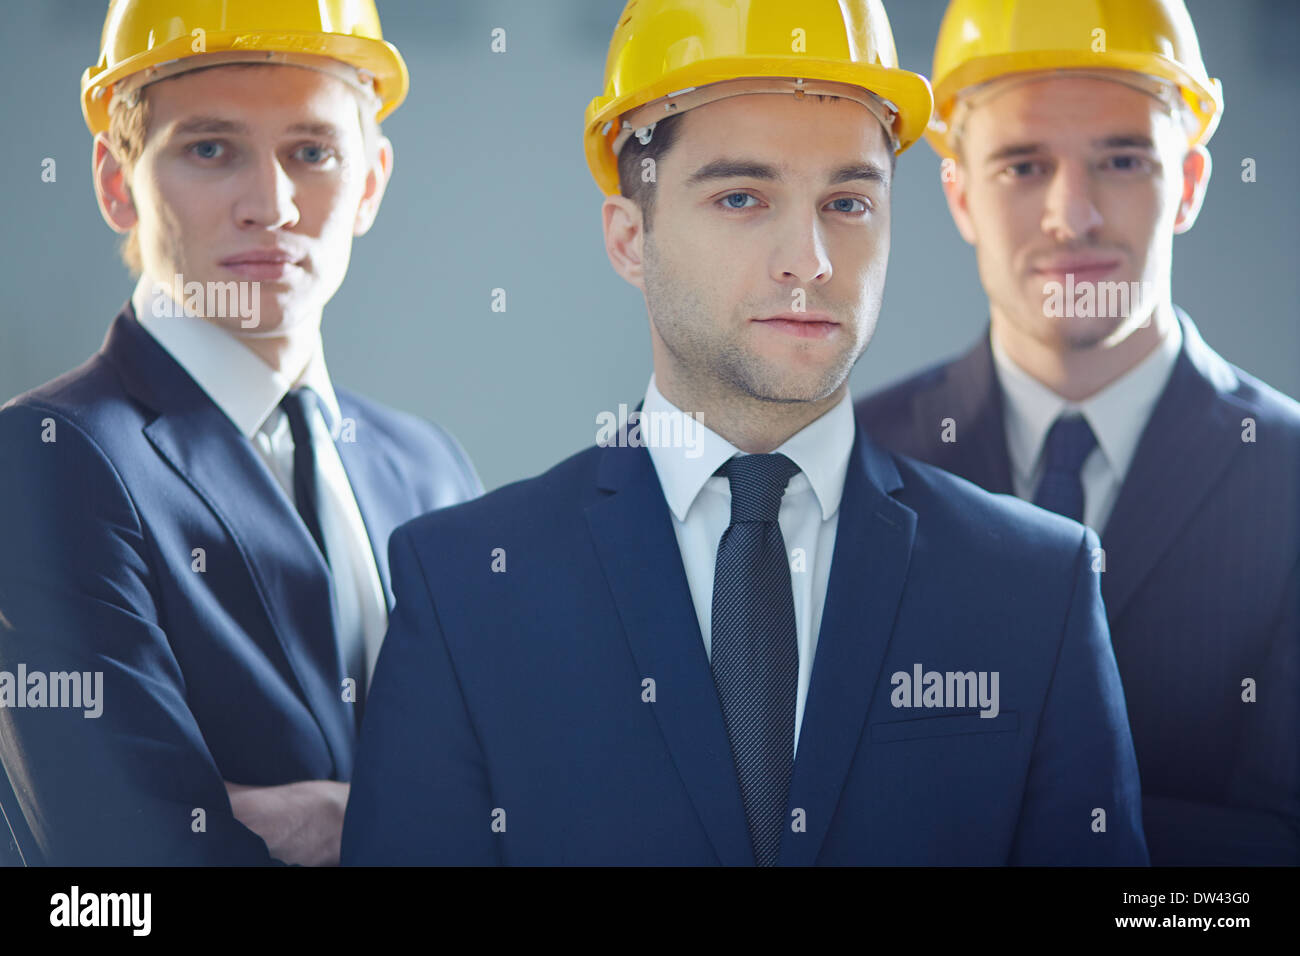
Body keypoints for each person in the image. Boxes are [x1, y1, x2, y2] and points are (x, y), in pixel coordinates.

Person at [342, 0, 1147, 866]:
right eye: (742, 196)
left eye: (846, 201)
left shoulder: (1035, 587)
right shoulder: (467, 589)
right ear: (628, 238)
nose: (810, 259)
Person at [0, 0, 481, 866]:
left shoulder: (430, 471)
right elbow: (120, 872)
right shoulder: (45, 461)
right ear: (117, 181)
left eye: (312, 152)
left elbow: (529, 814)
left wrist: (343, 823)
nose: (273, 203)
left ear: (369, 181)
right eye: (210, 148)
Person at [855, 0, 1299, 865]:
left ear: (1192, 184)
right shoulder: (861, 464)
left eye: (1123, 159)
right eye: (1023, 165)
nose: (1074, 216)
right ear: (960, 195)